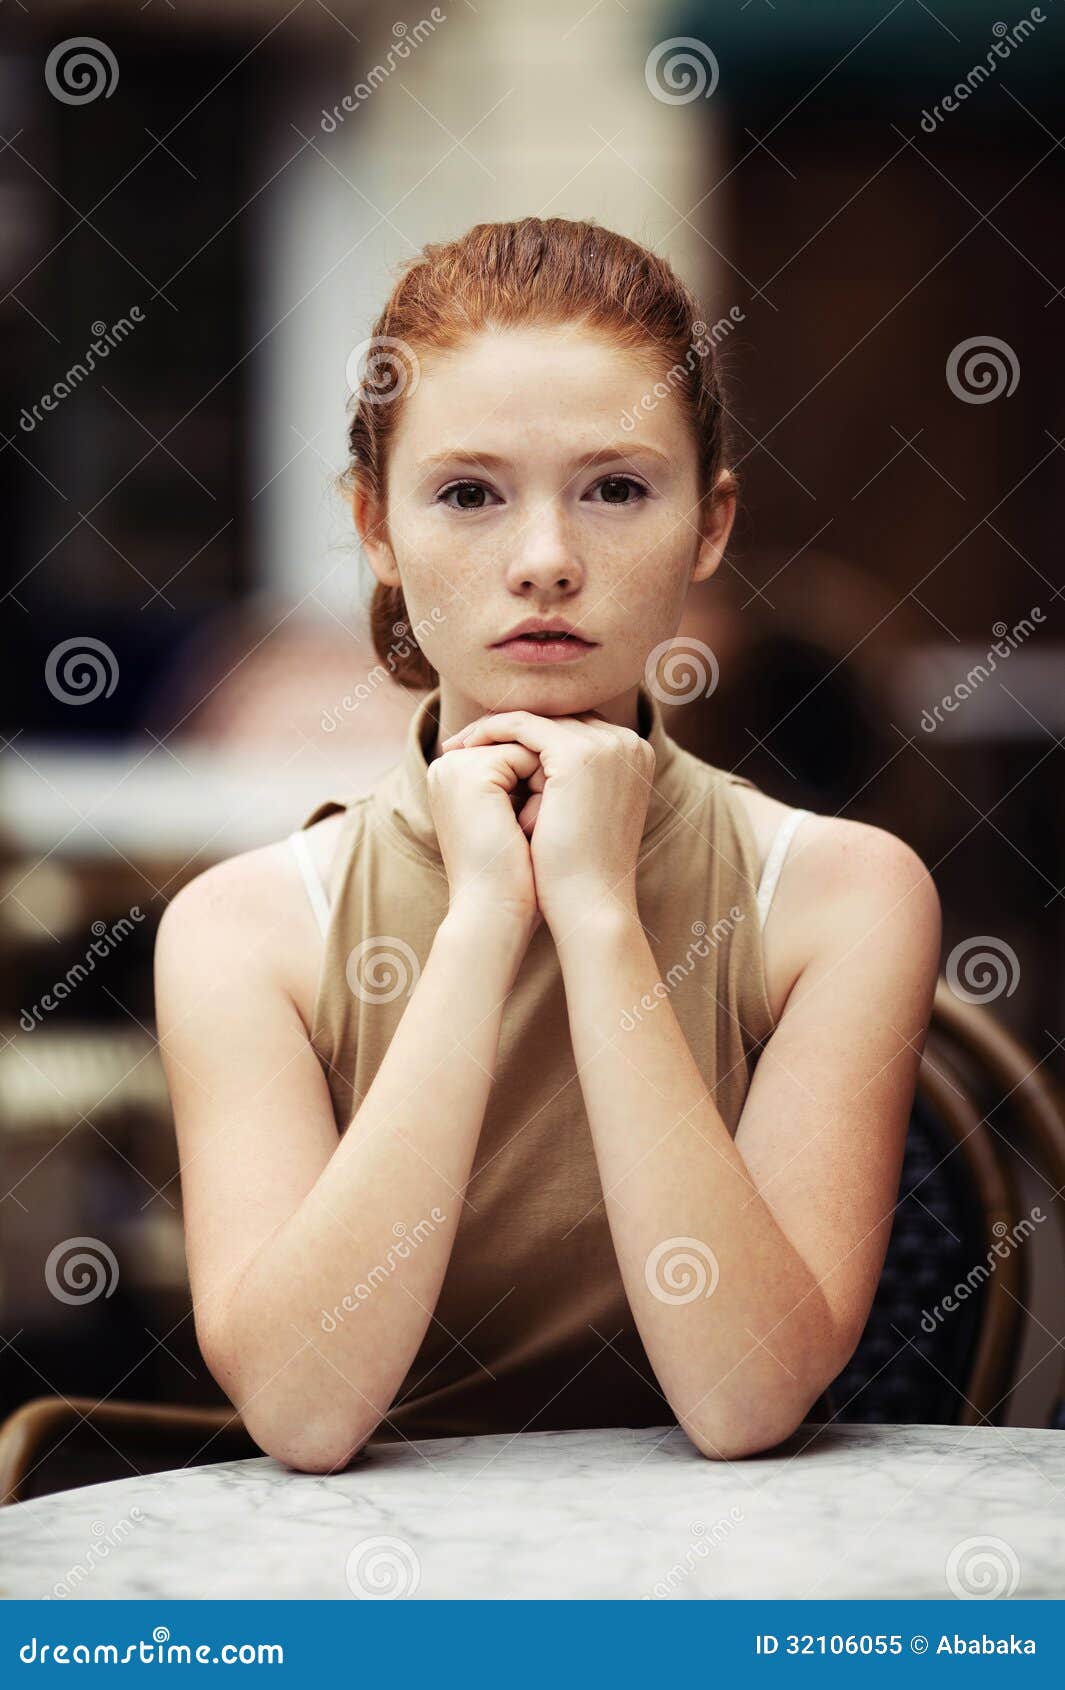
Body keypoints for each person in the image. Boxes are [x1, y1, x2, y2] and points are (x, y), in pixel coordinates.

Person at [154, 217, 942, 1474]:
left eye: (616, 488)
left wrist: (596, 913)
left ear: (710, 525)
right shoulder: (243, 928)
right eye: (467, 493)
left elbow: (744, 1399)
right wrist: (477, 923)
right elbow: (306, 1413)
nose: (545, 562)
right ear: (375, 527)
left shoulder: (844, 894)